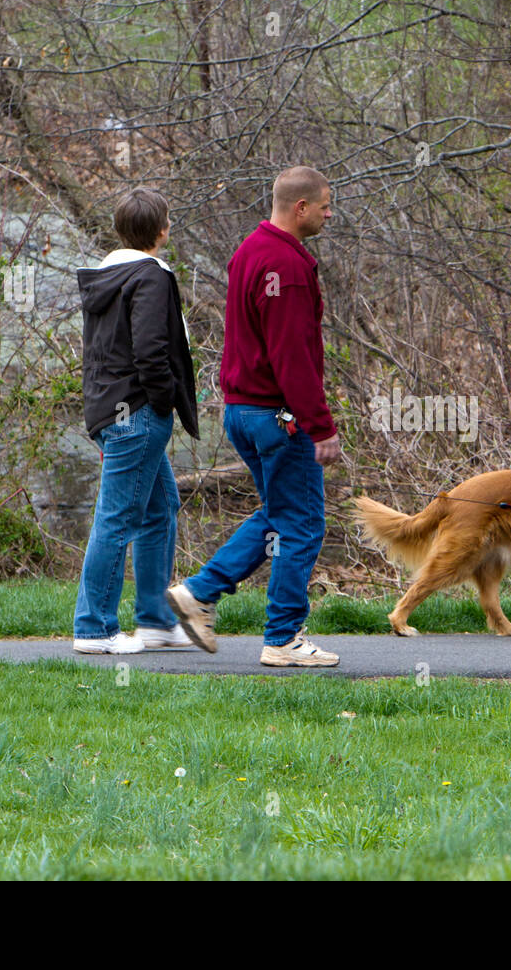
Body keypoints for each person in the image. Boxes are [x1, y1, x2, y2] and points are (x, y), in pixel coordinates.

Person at [166, 166, 342, 667]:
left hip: (241, 410)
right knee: (303, 524)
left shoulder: (249, 250)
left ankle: (198, 593)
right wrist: (321, 425)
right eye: (325, 205)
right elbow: (292, 357)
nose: (330, 214)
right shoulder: (285, 267)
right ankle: (283, 638)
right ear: (300, 207)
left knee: (278, 516)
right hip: (279, 415)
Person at [72, 188, 199, 654]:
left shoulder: (107, 275)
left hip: (112, 410)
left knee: (160, 506)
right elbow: (150, 349)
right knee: (117, 516)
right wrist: (163, 401)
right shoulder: (150, 276)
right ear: (162, 230)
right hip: (139, 413)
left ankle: (155, 621)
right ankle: (94, 628)